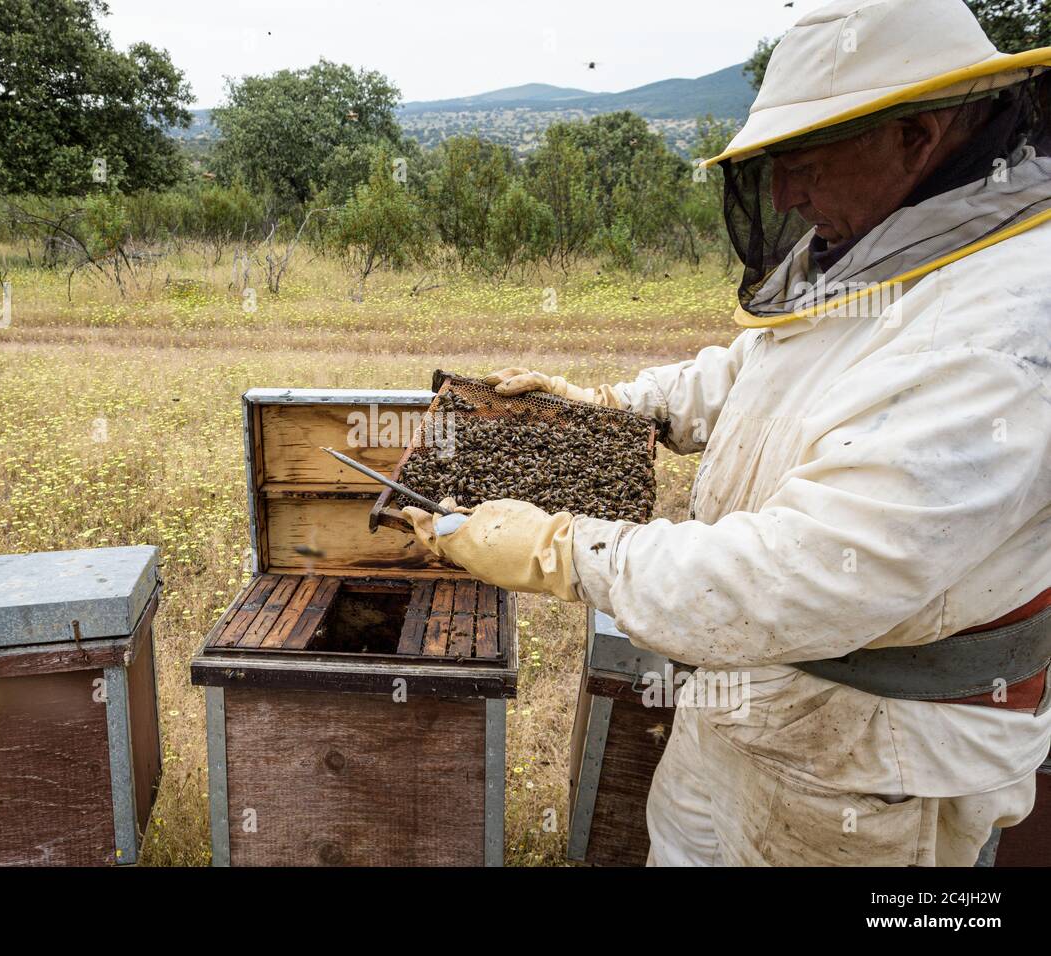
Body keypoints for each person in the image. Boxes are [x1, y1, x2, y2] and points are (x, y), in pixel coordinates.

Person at [404, 0, 1051, 865]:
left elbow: (799, 577)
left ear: (917, 137)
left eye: (805, 162)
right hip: (751, 702)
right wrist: (621, 404)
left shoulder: (1002, 330)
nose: (783, 194)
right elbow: (764, 371)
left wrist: (561, 550)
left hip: (876, 765)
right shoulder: (900, 238)